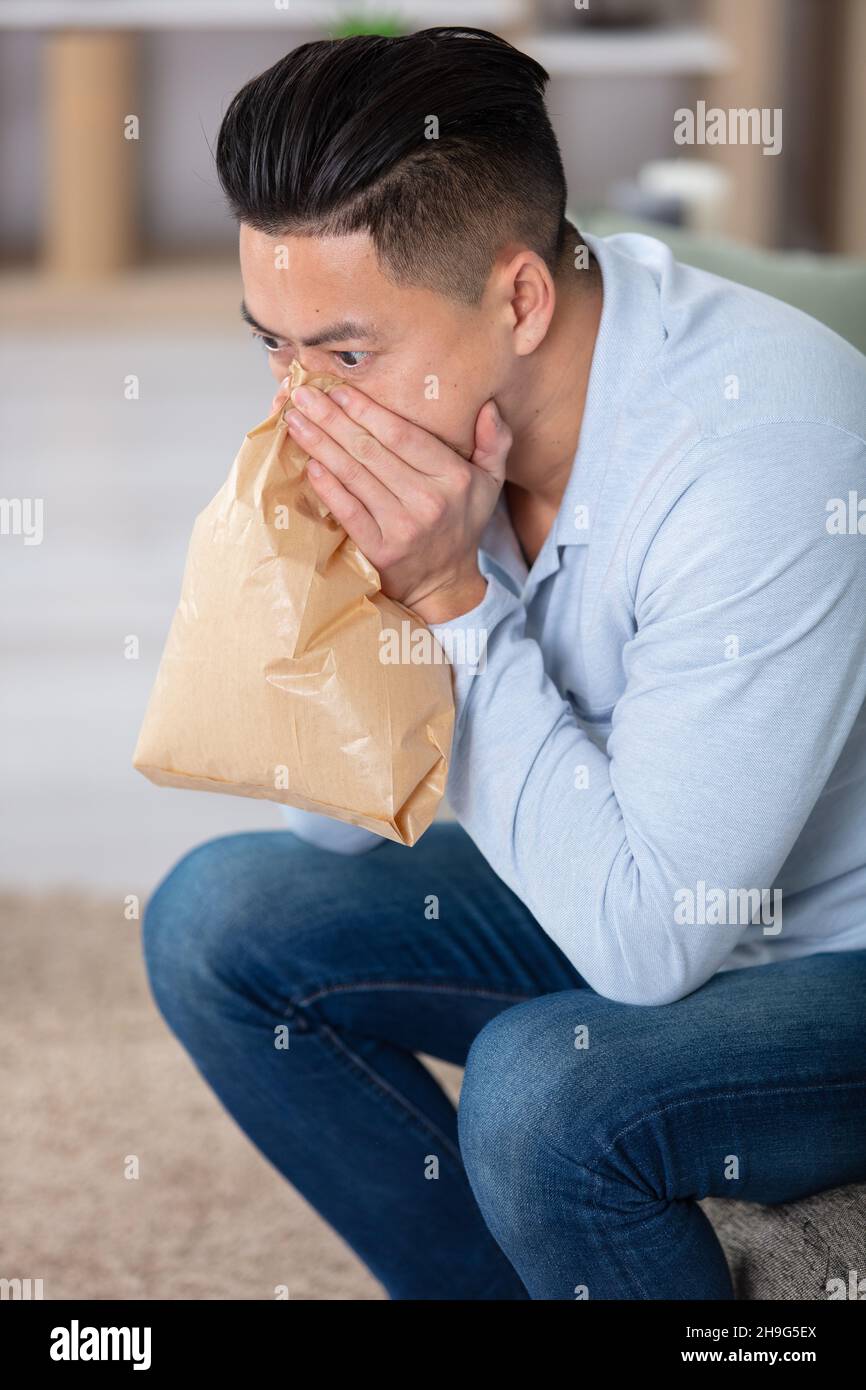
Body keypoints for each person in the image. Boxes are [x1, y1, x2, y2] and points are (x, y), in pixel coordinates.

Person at [142, 27, 866, 1300]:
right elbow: (339, 835)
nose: (302, 403)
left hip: (823, 964)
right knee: (219, 920)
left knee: (544, 1089)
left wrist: (451, 599)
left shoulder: (764, 453)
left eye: (344, 354)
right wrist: (338, 590)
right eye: (272, 343)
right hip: (631, 872)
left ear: (519, 300)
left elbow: (650, 948)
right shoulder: (427, 418)